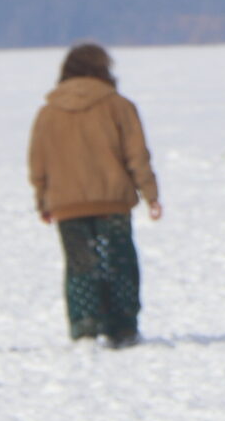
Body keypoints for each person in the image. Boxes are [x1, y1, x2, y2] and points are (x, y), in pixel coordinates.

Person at [27, 42, 160, 348]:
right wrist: (150, 194)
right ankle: (123, 326)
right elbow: (137, 156)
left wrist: (42, 200)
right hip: (113, 200)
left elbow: (38, 162)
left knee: (80, 265)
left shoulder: (48, 112)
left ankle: (84, 324)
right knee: (120, 263)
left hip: (66, 203)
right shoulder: (119, 106)